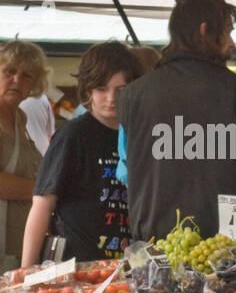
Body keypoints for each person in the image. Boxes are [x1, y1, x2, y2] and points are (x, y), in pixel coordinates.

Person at [115, 0, 236, 242]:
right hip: (231, 251)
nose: (232, 43)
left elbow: (126, 174)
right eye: (227, 32)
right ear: (205, 31)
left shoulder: (131, 97)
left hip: (156, 249)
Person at [22, 42, 139, 266]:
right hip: (73, 268)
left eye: (121, 90)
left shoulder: (138, 135)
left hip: (126, 269)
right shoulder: (73, 135)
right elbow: (42, 204)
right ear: (88, 89)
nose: (111, 98)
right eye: (101, 88)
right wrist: (26, 271)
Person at [0, 41, 47, 271]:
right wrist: (45, 192)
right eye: (10, 71)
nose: (17, 80)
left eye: (27, 76)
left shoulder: (20, 118)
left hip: (15, 249)